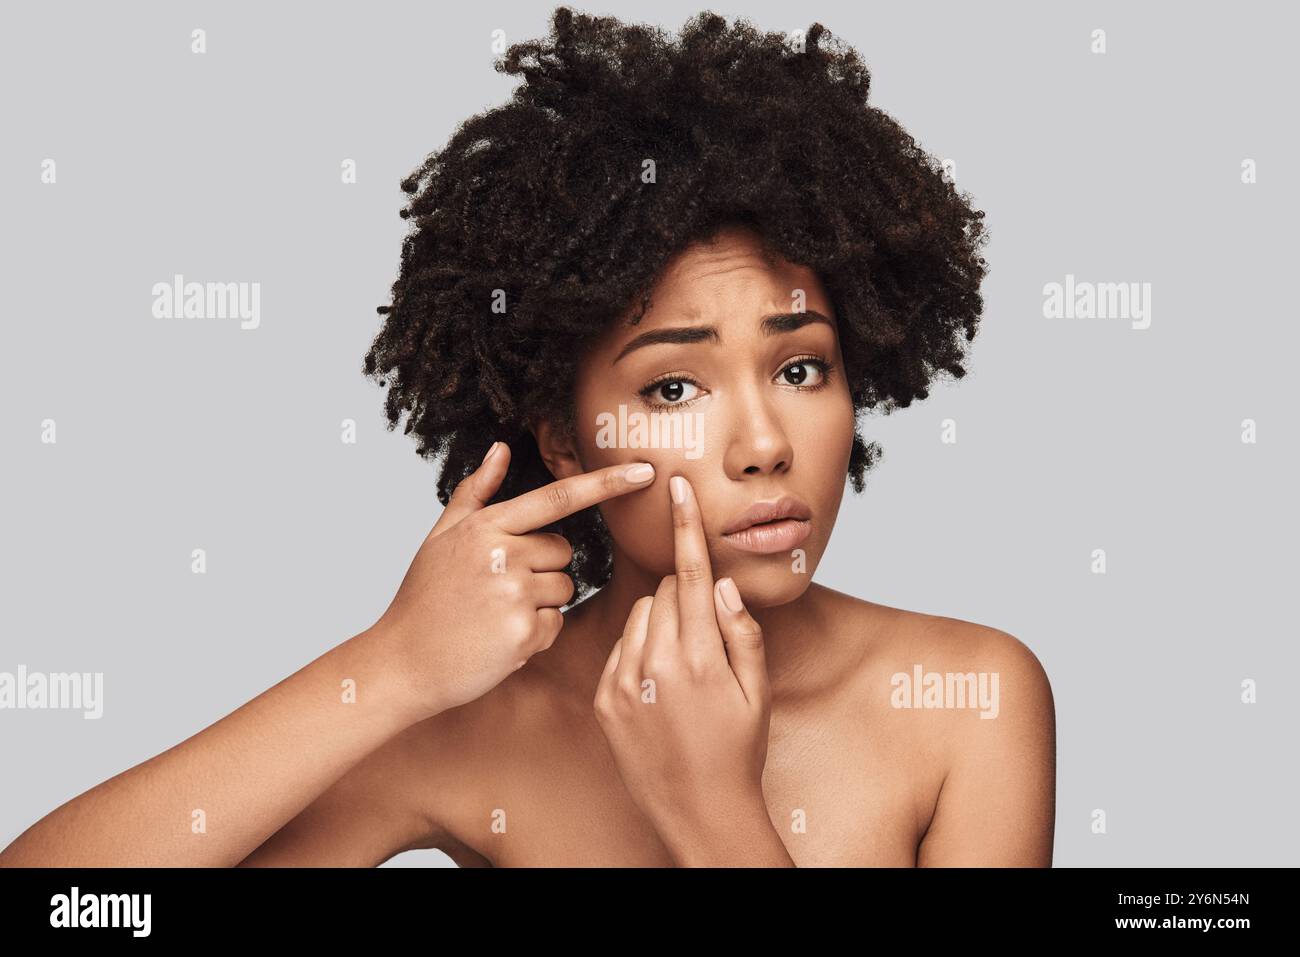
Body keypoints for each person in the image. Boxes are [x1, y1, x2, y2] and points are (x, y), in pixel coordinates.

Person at [0, 7, 1053, 868]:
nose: (764, 445)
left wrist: (709, 814)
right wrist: (389, 666)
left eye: (799, 368)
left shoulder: (967, 700)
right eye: (676, 385)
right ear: (563, 436)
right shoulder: (475, 727)